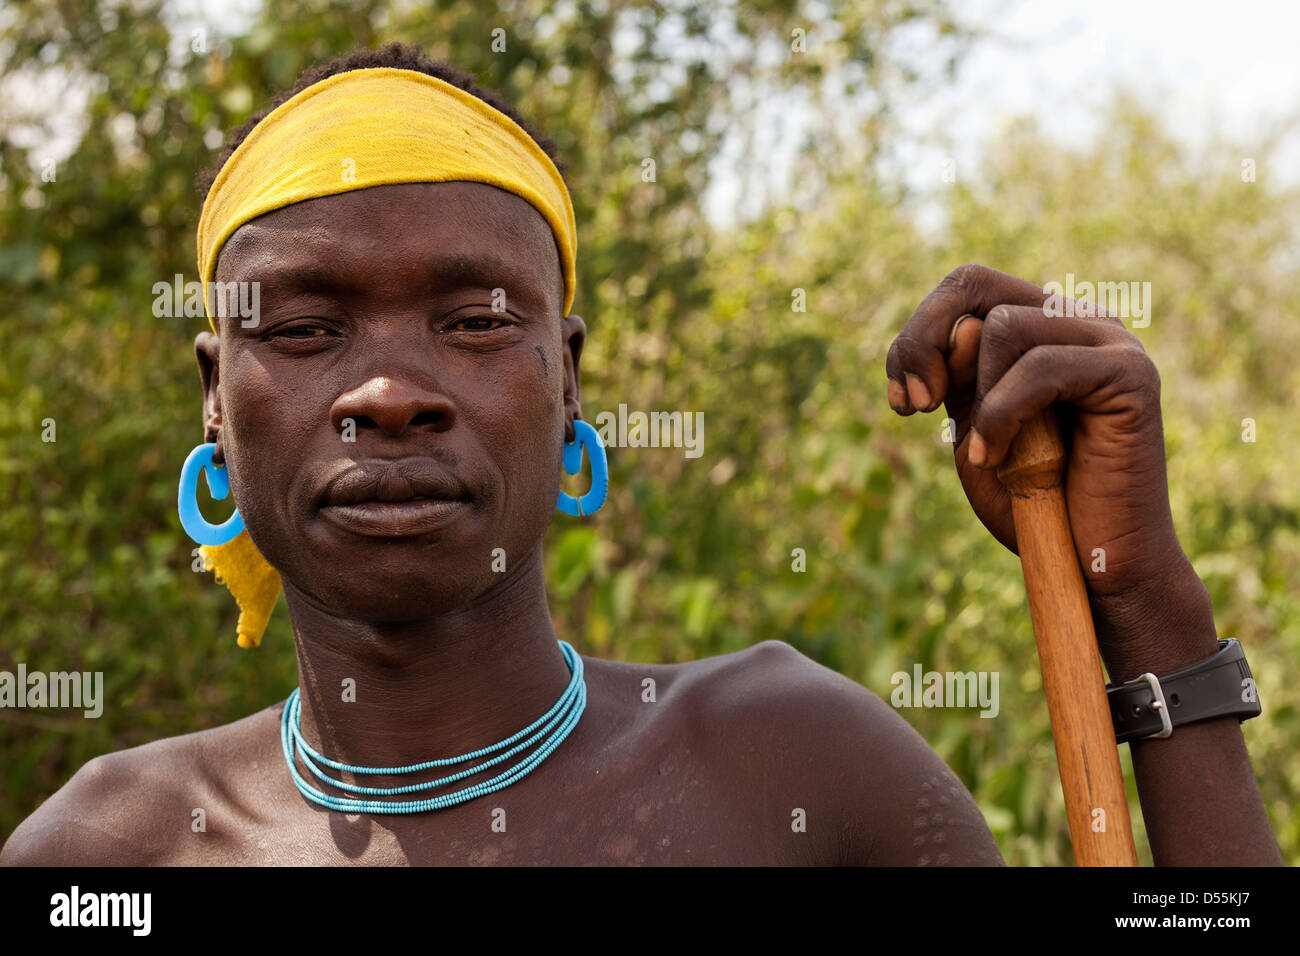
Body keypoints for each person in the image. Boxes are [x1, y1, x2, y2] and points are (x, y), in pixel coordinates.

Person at [0, 42, 1281, 866]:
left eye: (475, 319)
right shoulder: (104, 861)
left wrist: (1144, 604)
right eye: (307, 327)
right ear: (217, 401)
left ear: (570, 385)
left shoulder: (792, 769)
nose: (390, 391)